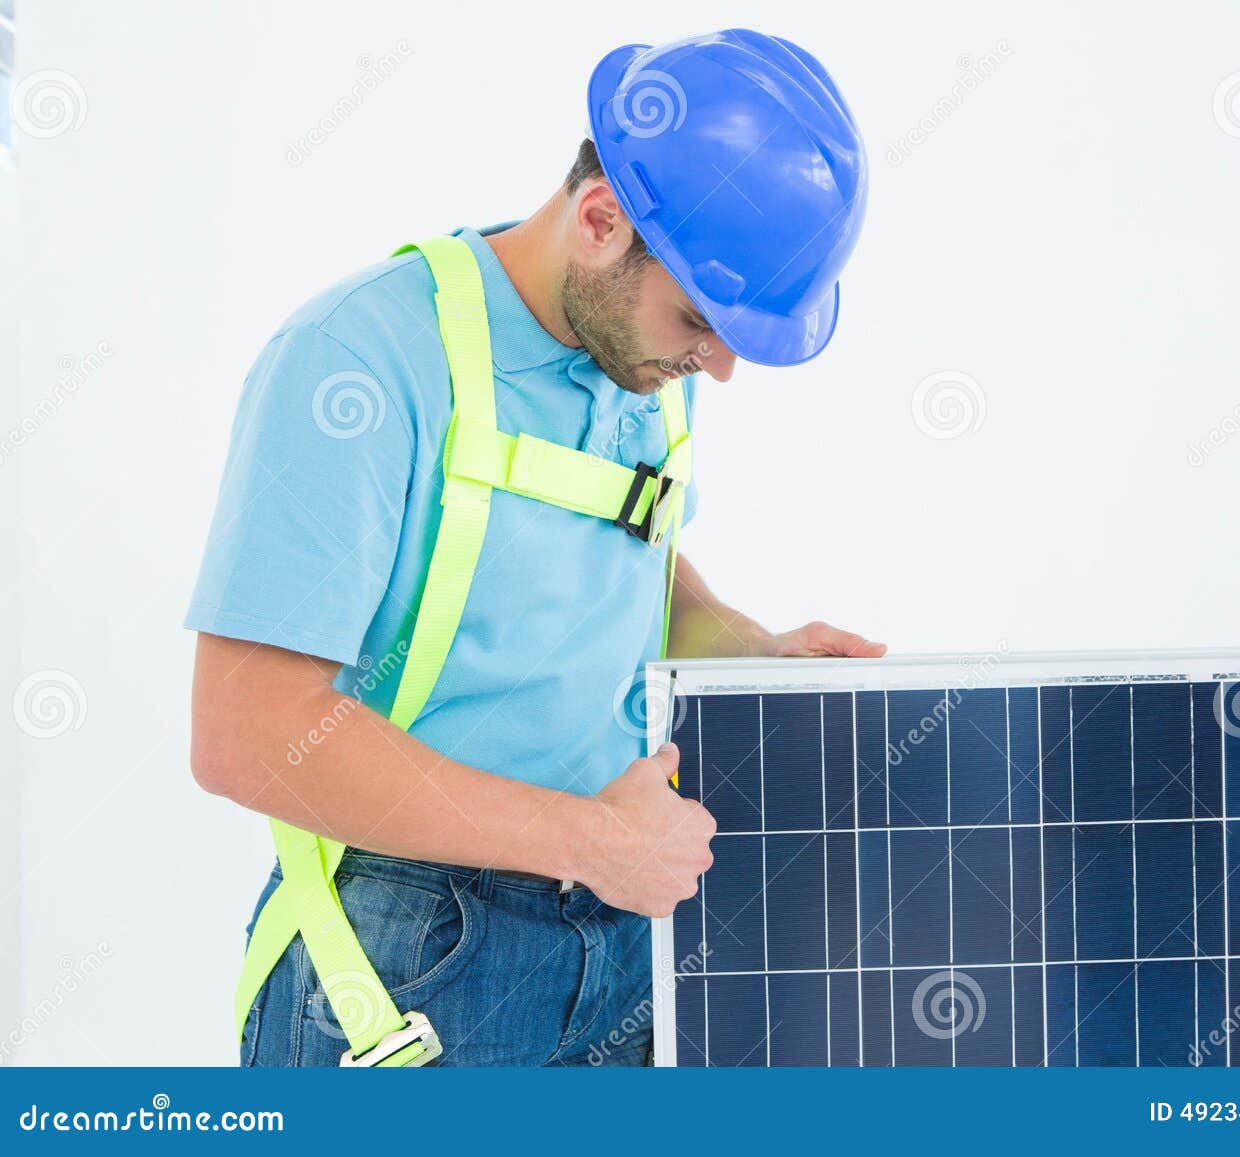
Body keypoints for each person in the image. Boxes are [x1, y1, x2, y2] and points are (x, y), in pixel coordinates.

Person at [184, 29, 876, 1067]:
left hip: (621, 936)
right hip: (408, 957)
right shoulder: (358, 363)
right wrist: (589, 839)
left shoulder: (640, 355)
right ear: (600, 221)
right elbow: (246, 728)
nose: (720, 367)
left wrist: (748, 647)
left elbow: (623, 554)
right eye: (701, 320)